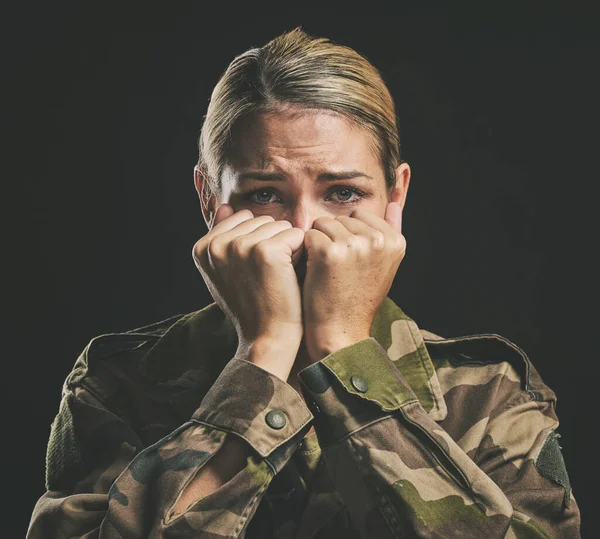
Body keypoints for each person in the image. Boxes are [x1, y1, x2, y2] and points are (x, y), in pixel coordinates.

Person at [26, 27, 581, 538]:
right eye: (265, 194)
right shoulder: (117, 384)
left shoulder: (487, 391)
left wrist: (345, 352)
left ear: (395, 198)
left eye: (342, 193)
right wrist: (260, 359)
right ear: (207, 200)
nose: (302, 233)